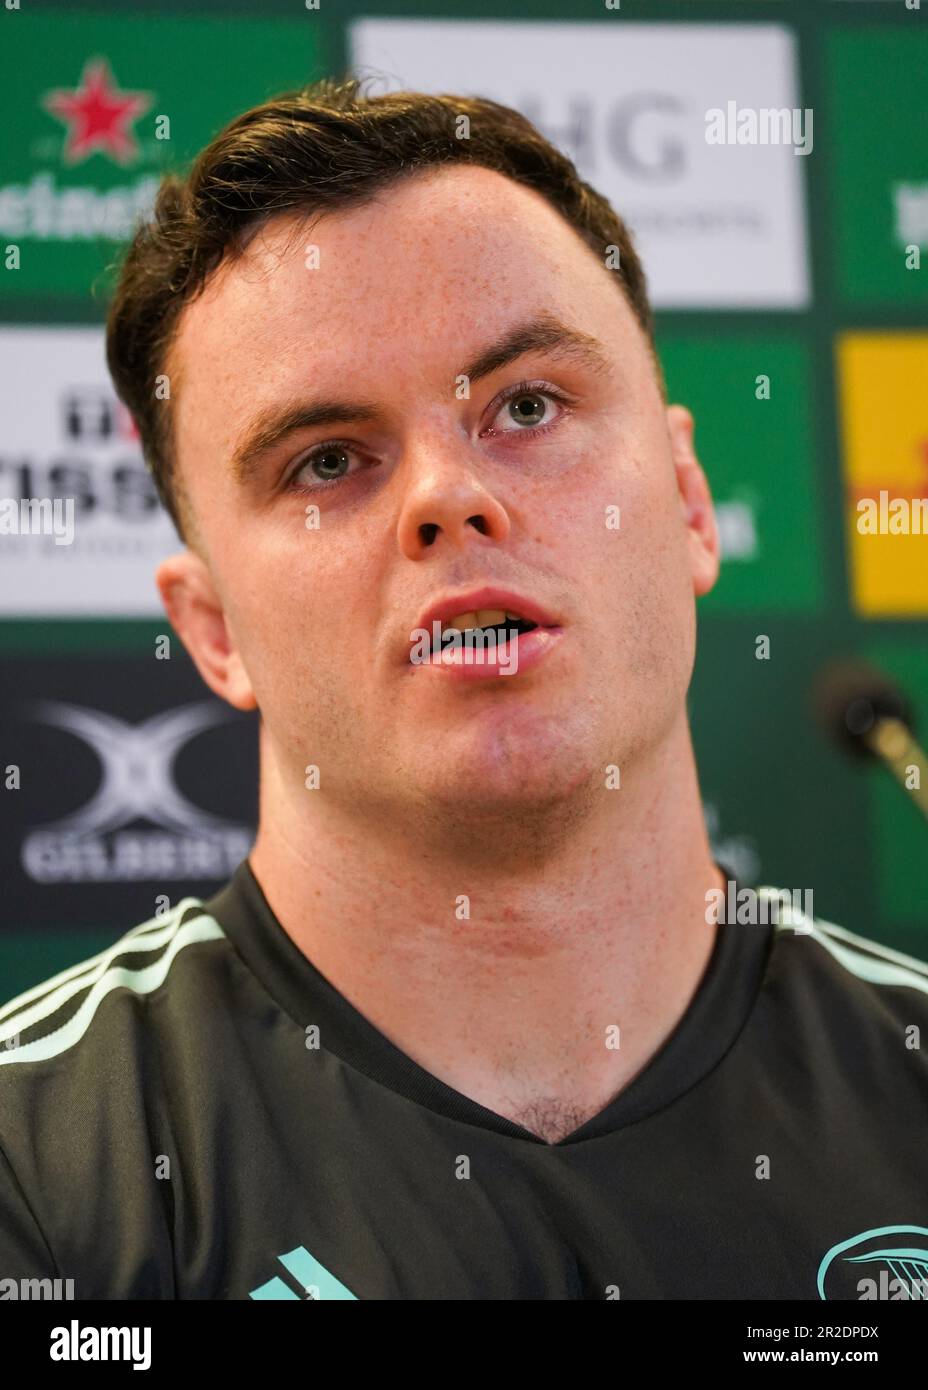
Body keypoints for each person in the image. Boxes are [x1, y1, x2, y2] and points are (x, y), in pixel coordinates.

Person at [1, 77, 926, 1303]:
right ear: (214, 631)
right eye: (326, 460)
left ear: (693, 505)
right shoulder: (35, 1166)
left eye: (527, 404)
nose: (446, 494)